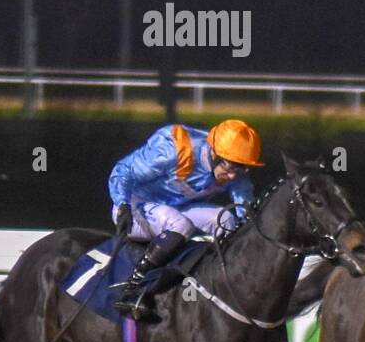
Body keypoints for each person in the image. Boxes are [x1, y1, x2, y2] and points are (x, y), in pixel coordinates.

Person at [108, 118, 263, 320]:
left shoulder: (232, 164)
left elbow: (245, 208)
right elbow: (123, 171)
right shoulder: (174, 147)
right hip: (136, 207)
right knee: (180, 225)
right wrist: (122, 205)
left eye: (242, 168)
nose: (234, 176)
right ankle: (133, 287)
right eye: (232, 166)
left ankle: (224, 287)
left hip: (177, 208)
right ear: (215, 154)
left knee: (226, 220)